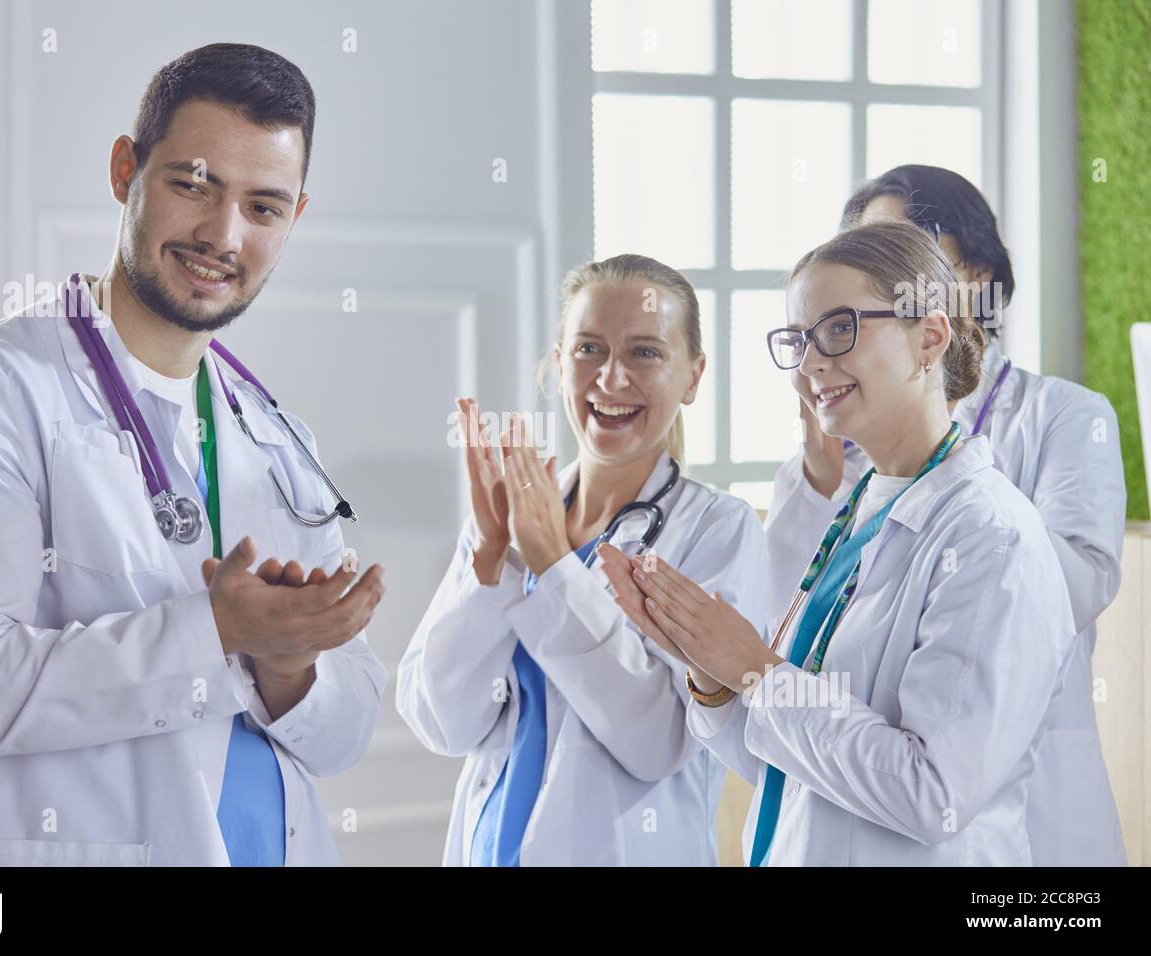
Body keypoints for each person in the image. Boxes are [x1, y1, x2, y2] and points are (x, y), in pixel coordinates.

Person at [0, 43, 386, 867]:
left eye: (263, 206)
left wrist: (289, 669)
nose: (223, 234)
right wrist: (214, 630)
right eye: (193, 184)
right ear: (125, 171)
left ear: (294, 218)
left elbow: (343, 735)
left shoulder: (273, 433)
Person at [602, 221, 1078, 865]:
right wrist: (710, 672)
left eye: (838, 329)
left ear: (929, 337)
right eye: (798, 340)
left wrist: (756, 669)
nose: (810, 364)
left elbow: (932, 793)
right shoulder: (863, 508)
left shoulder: (990, 537)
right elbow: (791, 764)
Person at [763, 165, 1126, 865]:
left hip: (1026, 775)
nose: (884, 268)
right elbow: (790, 609)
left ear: (978, 275)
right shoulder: (848, 430)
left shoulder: (1064, 417)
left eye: (904, 248)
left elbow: (1077, 582)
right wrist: (827, 479)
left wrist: (937, 465)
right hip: (858, 789)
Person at [398, 254, 772, 865]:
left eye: (645, 352)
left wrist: (553, 565)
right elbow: (440, 722)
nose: (612, 378)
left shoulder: (718, 530)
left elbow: (658, 743)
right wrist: (492, 563)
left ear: (694, 376)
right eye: (589, 349)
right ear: (558, 364)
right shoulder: (511, 517)